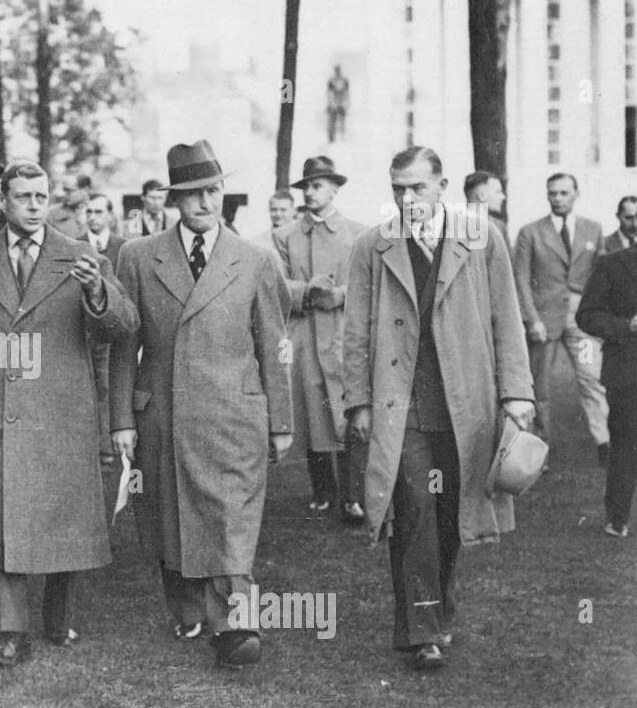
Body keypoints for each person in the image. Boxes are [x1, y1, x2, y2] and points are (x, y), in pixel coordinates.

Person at [0, 161, 138, 667]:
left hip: (62, 412)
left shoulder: (81, 258)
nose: (32, 205)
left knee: (62, 518)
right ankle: (10, 631)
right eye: (22, 196)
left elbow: (125, 324)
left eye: (40, 195)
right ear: (2, 201)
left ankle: (58, 614)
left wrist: (97, 292)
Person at [342, 146, 535, 671]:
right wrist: (357, 399)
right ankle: (421, 631)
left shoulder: (482, 237)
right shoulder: (372, 246)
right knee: (413, 512)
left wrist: (517, 390)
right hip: (400, 407)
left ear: (442, 185)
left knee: (453, 513)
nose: (406, 198)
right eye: (397, 188)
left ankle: (439, 610)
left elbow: (506, 319)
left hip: (465, 405)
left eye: (417, 188)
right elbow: (355, 330)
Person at [109, 139, 293, 669]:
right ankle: (189, 608)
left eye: (211, 191)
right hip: (161, 410)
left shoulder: (255, 259)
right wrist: (121, 417)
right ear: (174, 200)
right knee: (169, 515)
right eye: (191, 194)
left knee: (231, 517)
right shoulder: (138, 256)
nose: (203, 203)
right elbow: (125, 342)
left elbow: (273, 343)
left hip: (234, 412)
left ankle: (236, 624)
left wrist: (280, 420)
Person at [274, 156, 368, 522]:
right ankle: (322, 489)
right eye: (307, 186)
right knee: (313, 411)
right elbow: (277, 286)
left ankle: (353, 495)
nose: (310, 193)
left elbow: (368, 284)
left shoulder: (357, 234)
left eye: (317, 186)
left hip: (344, 334)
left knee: (348, 411)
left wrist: (341, 294)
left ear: (334, 189)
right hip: (306, 333)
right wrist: (307, 291)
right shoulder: (286, 236)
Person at [513, 173, 609, 465]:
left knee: (592, 377)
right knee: (539, 385)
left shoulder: (593, 229)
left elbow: (601, 275)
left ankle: (604, 442)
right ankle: (539, 446)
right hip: (545, 320)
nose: (558, 198)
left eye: (564, 193)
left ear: (576, 194)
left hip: (582, 322)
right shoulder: (531, 232)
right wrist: (532, 320)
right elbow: (521, 279)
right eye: (553, 193)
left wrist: (597, 315)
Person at [578, 240, 637, 538]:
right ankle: (618, 518)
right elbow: (586, 315)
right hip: (628, 372)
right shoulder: (612, 264)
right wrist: (627, 326)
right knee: (626, 445)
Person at [85, 193, 128, 479]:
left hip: (113, 331)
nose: (93, 217)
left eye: (99, 212)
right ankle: (94, 447)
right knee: (90, 387)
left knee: (110, 385)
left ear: (110, 215)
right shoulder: (74, 245)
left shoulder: (123, 247)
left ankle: (110, 445)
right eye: (88, 212)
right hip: (85, 332)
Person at [463, 171, 508, 247]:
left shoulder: (499, 227)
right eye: (497, 192)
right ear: (481, 196)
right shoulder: (455, 226)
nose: (503, 197)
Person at [326, 65, 349, 143]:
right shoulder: (331, 81)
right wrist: (333, 104)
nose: (337, 72)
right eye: (336, 71)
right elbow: (330, 94)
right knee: (331, 122)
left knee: (342, 122)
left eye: (338, 71)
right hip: (333, 105)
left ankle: (342, 139)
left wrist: (342, 104)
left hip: (341, 104)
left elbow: (346, 94)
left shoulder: (344, 81)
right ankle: (331, 139)